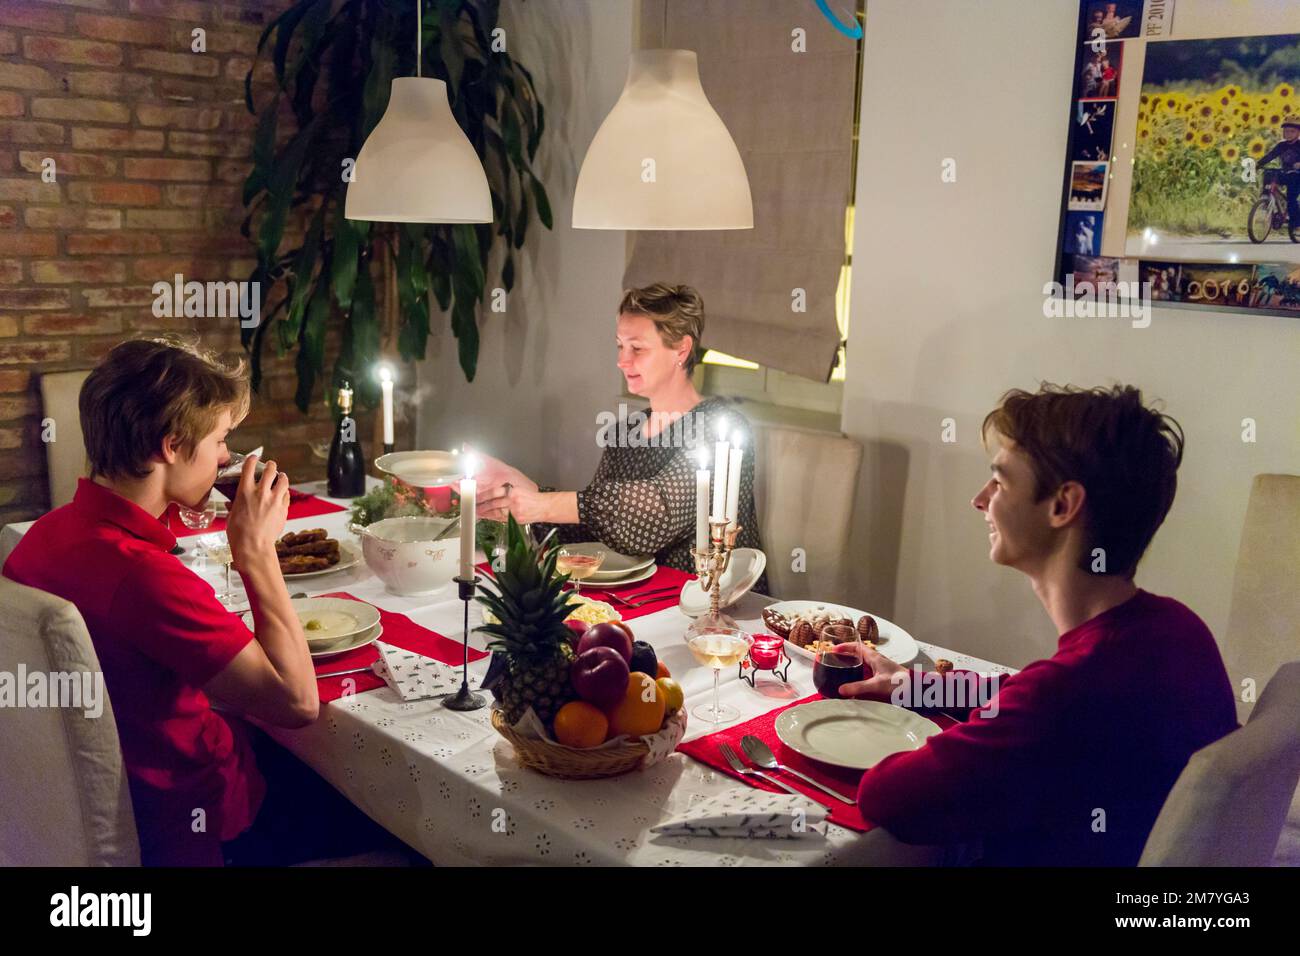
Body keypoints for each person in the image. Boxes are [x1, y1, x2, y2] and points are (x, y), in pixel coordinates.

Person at [4, 339, 391, 866]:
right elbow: (296, 704)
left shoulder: (38, 537)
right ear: (170, 446)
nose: (227, 456)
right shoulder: (145, 576)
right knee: (389, 808)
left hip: (81, 809)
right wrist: (255, 553)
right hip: (197, 824)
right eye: (219, 439)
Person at [844, 384, 1237, 866]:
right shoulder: (1178, 629)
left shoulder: (1065, 691)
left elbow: (887, 796)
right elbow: (1016, 698)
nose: (979, 500)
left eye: (1000, 482)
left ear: (1062, 506)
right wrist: (915, 687)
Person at [474, 283, 768, 593]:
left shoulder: (721, 429)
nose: (622, 360)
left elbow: (657, 511)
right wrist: (531, 492)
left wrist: (542, 504)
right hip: (636, 602)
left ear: (681, 349)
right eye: (620, 346)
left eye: (637, 348)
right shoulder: (624, 433)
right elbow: (596, 530)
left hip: (708, 606)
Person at [1258, 118, 1300, 242]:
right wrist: (1259, 164)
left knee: (1291, 199)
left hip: (1298, 175)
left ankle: (1297, 224)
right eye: (1286, 131)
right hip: (1286, 173)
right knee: (1269, 174)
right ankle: (1265, 201)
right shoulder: (1282, 145)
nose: (1288, 134)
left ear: (1298, 133)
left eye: (1292, 132)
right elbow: (1271, 155)